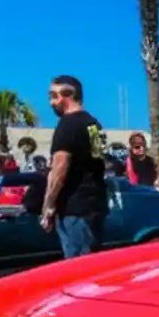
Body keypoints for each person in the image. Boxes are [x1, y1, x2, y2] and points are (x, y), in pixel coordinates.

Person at [41, 75, 108, 259]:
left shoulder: (68, 124)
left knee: (77, 269)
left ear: (67, 95)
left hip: (75, 209)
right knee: (91, 266)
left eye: (53, 96)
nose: (51, 103)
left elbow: (60, 167)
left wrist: (48, 206)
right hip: (94, 205)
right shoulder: (93, 124)